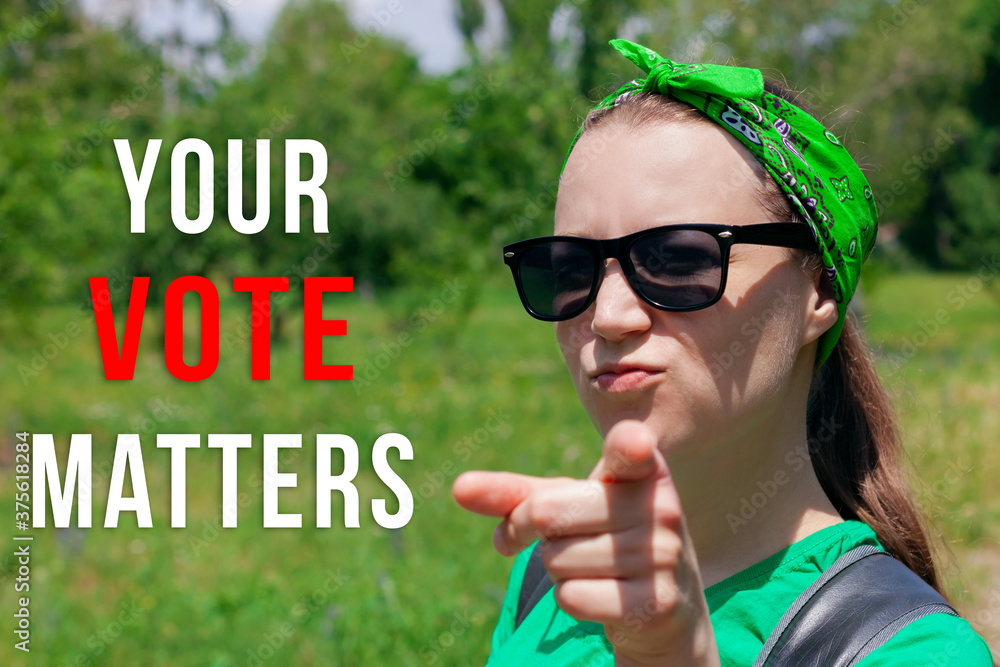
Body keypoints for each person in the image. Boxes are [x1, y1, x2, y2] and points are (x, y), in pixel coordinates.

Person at [451, 38, 995, 666]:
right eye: (568, 269)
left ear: (818, 289)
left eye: (678, 259)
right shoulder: (551, 575)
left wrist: (671, 652)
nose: (608, 316)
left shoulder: (904, 648)